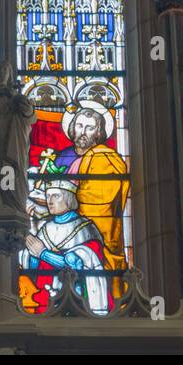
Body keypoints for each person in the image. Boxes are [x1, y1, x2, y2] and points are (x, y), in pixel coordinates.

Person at [53, 102, 129, 289]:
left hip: (97, 229)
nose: (83, 132)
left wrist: (67, 197)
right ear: (72, 127)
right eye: (79, 126)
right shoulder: (63, 156)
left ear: (99, 132)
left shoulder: (106, 158)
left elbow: (99, 199)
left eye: (90, 127)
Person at [21, 179, 110, 314]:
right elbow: (34, 269)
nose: (49, 201)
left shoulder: (85, 228)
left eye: (56, 196)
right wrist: (32, 252)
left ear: (68, 198)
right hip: (46, 297)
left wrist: (43, 254)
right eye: (48, 195)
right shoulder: (45, 228)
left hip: (79, 296)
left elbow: (78, 263)